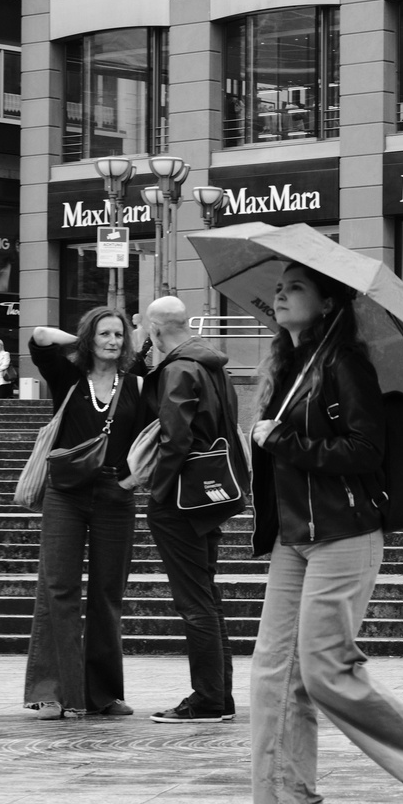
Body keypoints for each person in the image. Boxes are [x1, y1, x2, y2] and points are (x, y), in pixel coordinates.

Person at [230, 263, 403, 804]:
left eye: (296, 288)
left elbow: (364, 450)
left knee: (324, 664)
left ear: (328, 304)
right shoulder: (290, 366)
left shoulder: (344, 363)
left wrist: (282, 439)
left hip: (346, 531)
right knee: (273, 673)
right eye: (279, 288)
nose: (280, 296)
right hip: (295, 534)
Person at [23, 308, 143, 720]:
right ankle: (55, 693)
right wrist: (80, 342)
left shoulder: (136, 385)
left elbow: (149, 439)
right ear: (90, 337)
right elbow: (39, 335)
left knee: (108, 593)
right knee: (59, 589)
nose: (113, 341)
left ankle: (103, 694)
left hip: (115, 494)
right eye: (105, 334)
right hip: (66, 493)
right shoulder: (69, 378)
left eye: (119, 335)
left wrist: (132, 480)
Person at [141, 295, 237, 725]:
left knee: (194, 601)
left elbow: (175, 438)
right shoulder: (212, 364)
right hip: (209, 498)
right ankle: (219, 696)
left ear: (157, 328)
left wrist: (155, 491)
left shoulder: (178, 369)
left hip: (180, 499)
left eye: (147, 329)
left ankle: (207, 700)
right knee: (207, 598)